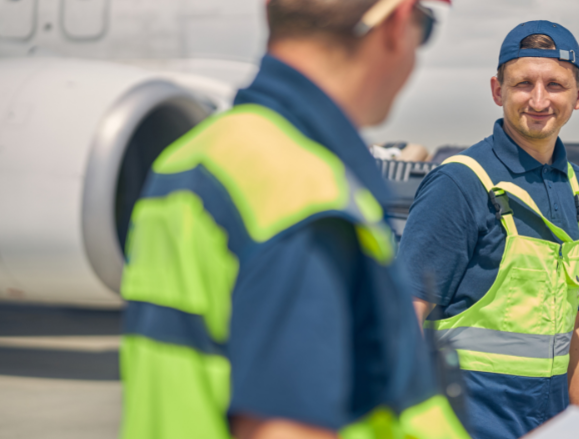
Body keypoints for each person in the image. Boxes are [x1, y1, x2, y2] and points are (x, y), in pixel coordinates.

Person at [118, 1, 470, 438]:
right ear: (397, 24)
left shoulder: (194, 157)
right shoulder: (306, 193)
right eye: (425, 26)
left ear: (270, 13)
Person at [398, 20, 579, 439]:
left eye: (555, 85)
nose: (539, 99)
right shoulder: (459, 184)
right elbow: (403, 318)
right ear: (497, 91)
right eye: (524, 84)